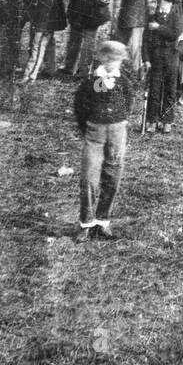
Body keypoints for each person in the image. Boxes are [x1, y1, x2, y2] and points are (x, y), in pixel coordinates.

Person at [73, 40, 134, 240]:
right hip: (94, 132)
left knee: (113, 175)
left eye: (116, 61)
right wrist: (89, 128)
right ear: (102, 58)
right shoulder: (91, 82)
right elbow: (80, 107)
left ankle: (103, 220)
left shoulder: (123, 81)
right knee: (89, 177)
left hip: (117, 131)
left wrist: (120, 122)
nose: (112, 64)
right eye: (109, 59)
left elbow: (128, 103)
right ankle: (86, 223)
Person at [144, 0, 183, 131]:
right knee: (154, 89)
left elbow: (174, 34)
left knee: (170, 89)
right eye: (161, 0)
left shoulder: (177, 17)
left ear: (171, 3)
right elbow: (145, 41)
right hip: (156, 57)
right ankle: (152, 120)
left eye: (165, 1)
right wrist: (146, 59)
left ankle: (167, 120)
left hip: (171, 57)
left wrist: (158, 28)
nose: (162, 3)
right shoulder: (152, 16)